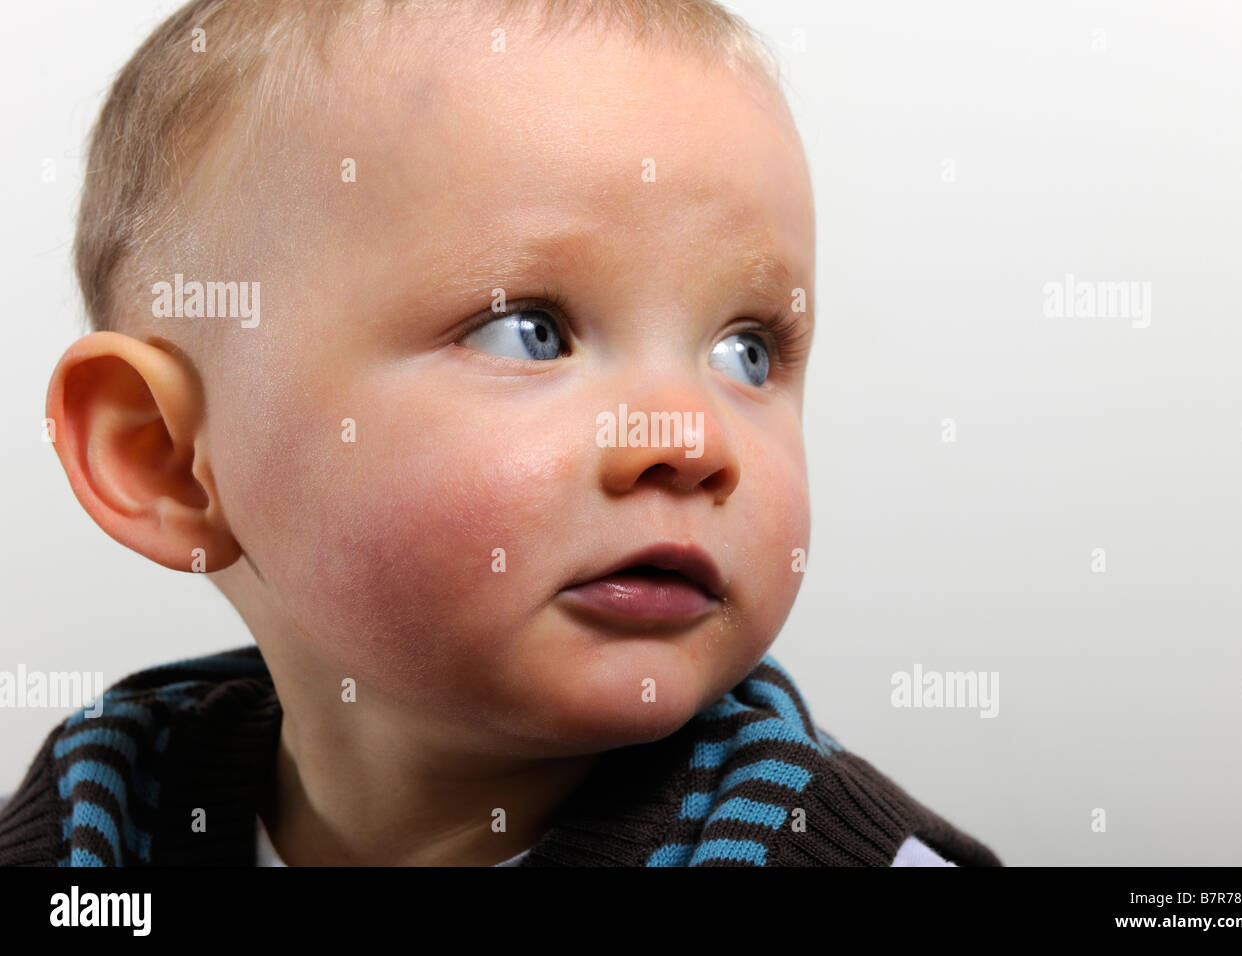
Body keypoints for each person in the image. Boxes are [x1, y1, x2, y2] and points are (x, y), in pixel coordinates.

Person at [0, 0, 1000, 867]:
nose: (690, 439)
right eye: (531, 330)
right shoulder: (94, 823)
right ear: (165, 457)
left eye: (746, 350)